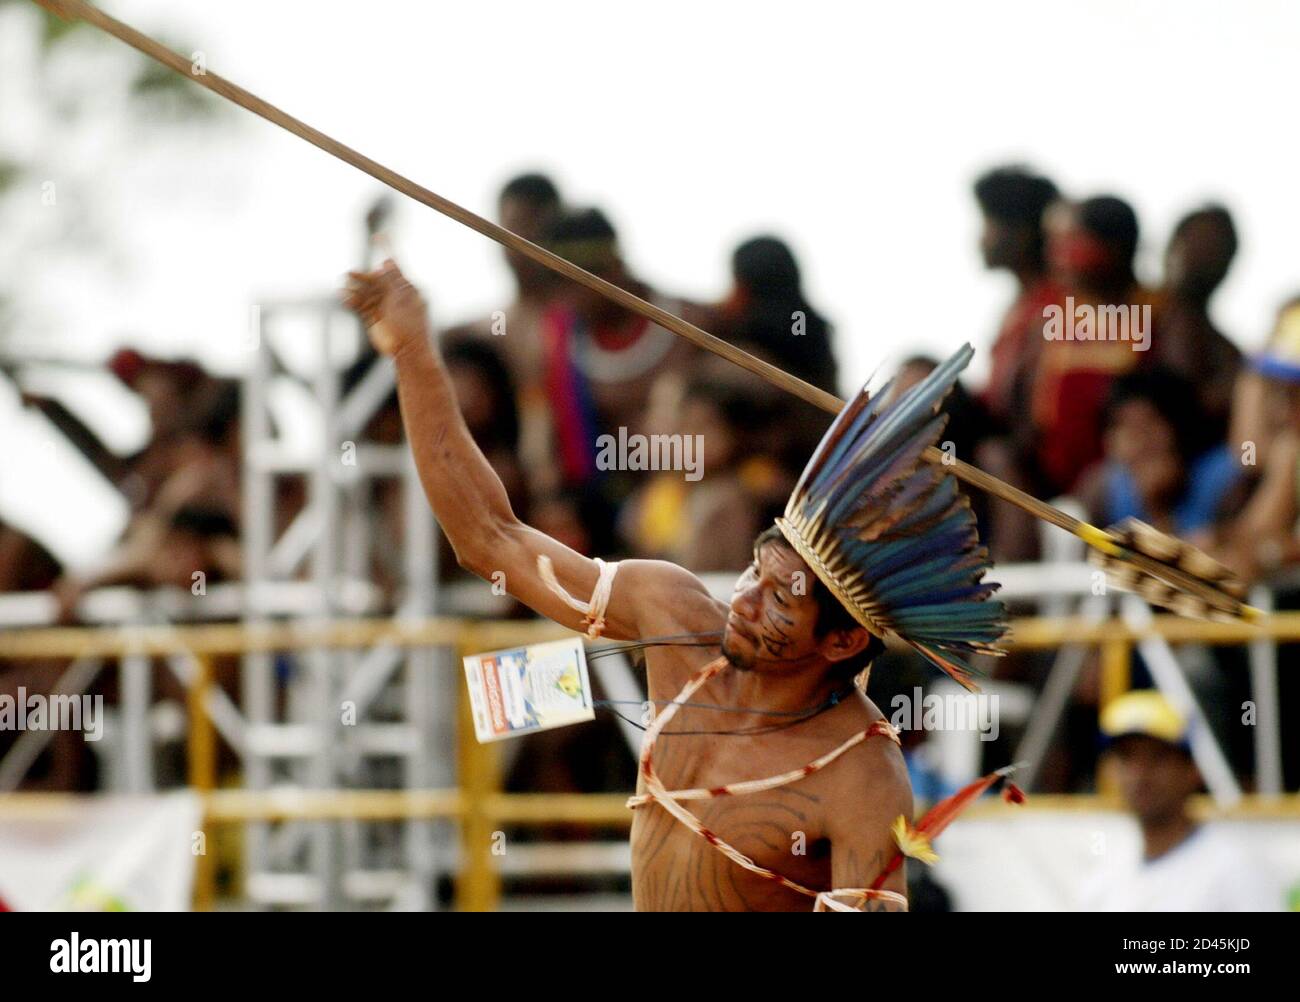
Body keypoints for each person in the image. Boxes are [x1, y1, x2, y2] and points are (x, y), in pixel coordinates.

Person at [345, 260, 1011, 911]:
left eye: (783, 599)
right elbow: (489, 537)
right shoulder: (675, 617)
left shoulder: (861, 775)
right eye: (757, 570)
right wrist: (411, 350)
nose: (746, 598)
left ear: (841, 642)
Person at [1079, 690, 1280, 911]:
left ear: (1193, 769)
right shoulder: (1106, 872)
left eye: (1157, 757)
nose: (1140, 774)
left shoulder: (1237, 867)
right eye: (1127, 758)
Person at [1152, 206, 1242, 439]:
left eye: (1215, 250)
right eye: (1197, 245)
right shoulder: (1130, 316)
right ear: (1172, 247)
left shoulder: (1229, 352)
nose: (1203, 258)